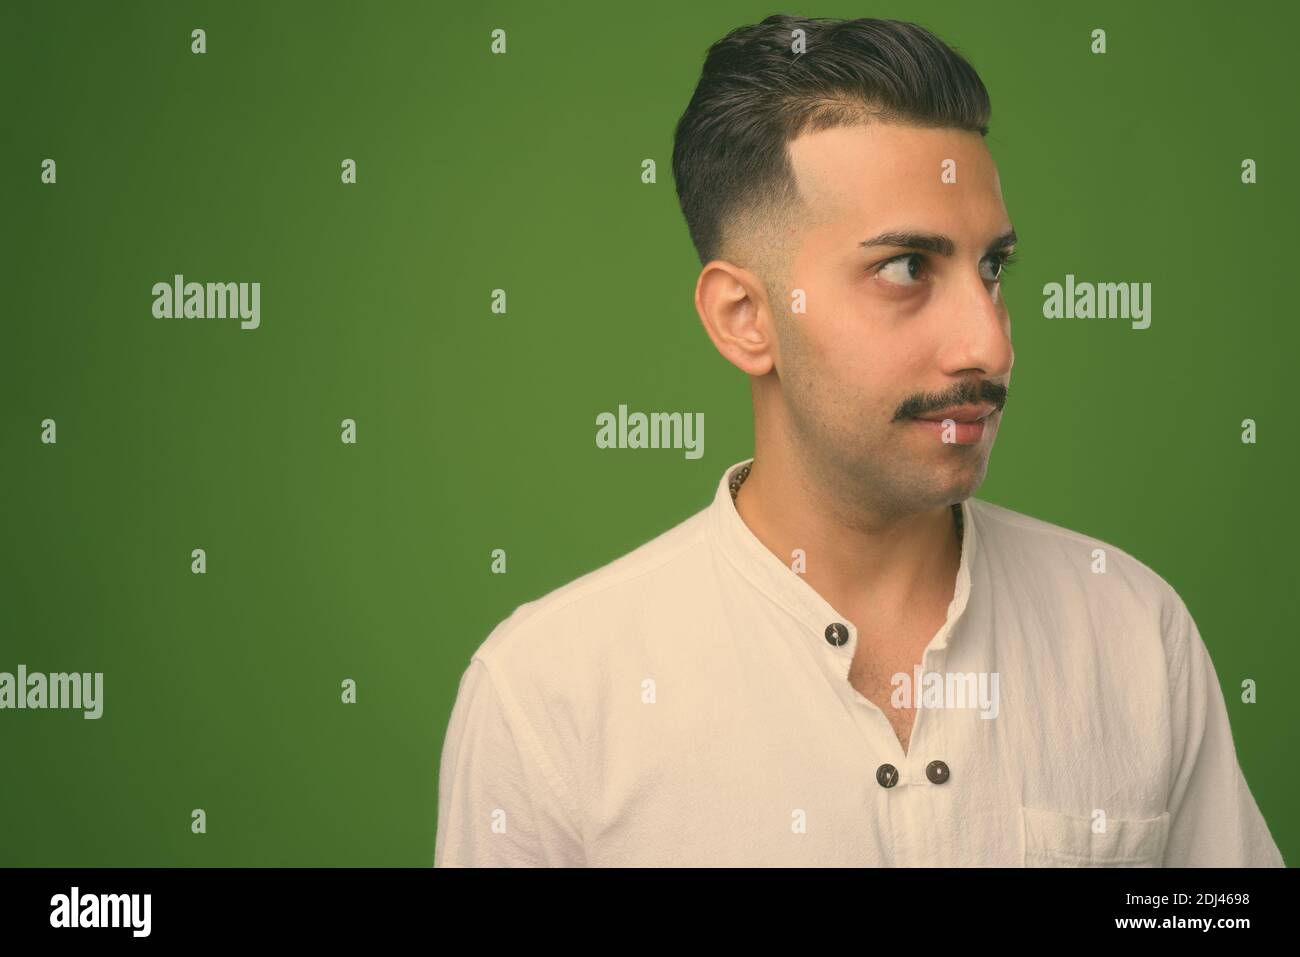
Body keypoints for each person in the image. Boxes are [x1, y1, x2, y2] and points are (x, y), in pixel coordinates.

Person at [434, 14, 1285, 867]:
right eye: (907, 267)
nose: (988, 345)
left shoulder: (1135, 633)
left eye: (993, 268)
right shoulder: (547, 699)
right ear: (746, 318)